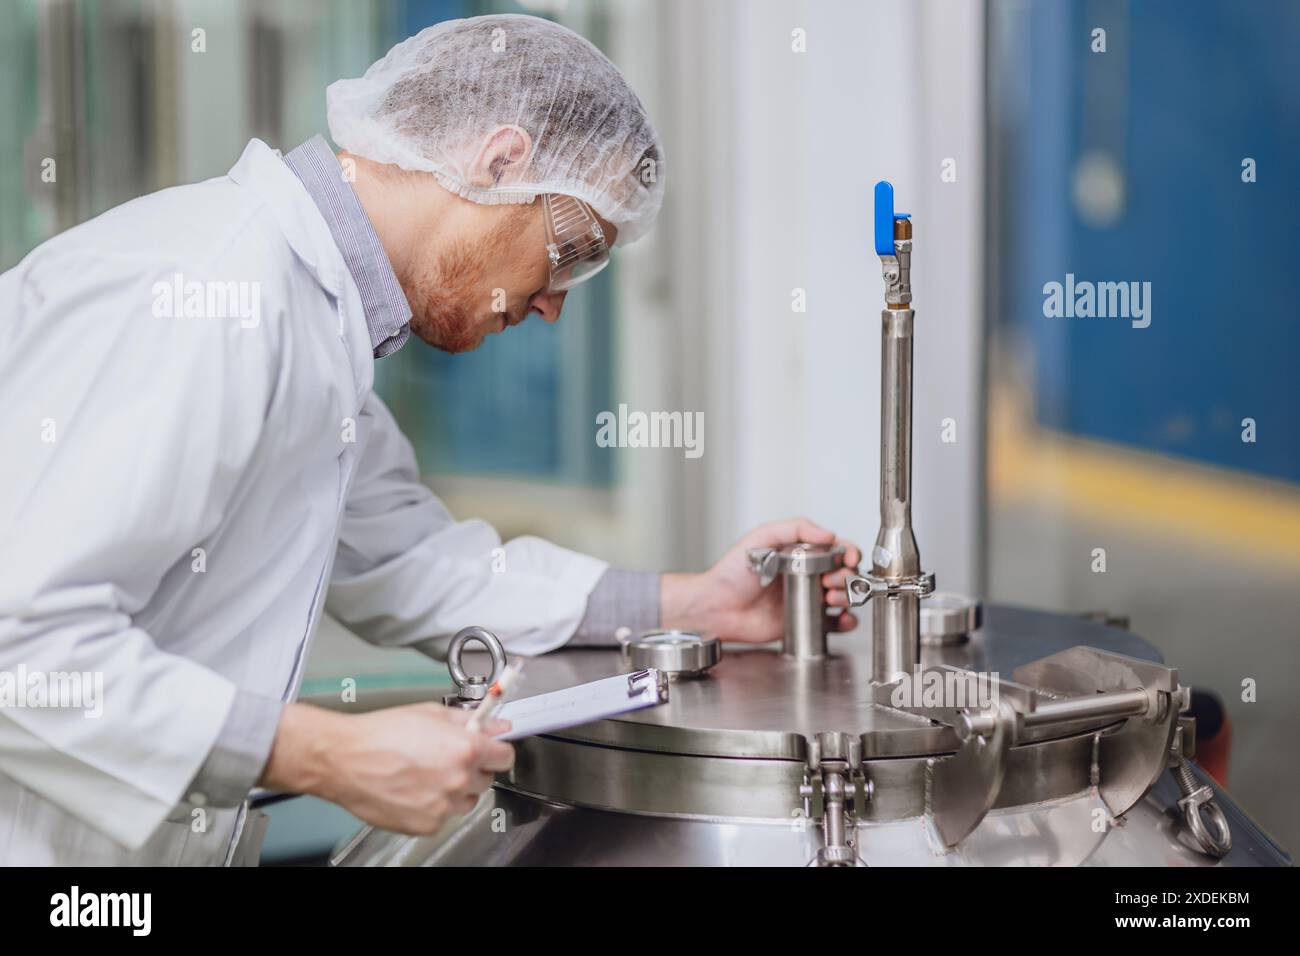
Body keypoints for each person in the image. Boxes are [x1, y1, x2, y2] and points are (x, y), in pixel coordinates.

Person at [0, 14, 860, 865]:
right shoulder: (203, 296)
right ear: (499, 160)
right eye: (574, 249)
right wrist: (328, 754)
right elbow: (23, 648)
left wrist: (699, 604)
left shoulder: (321, 326)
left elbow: (413, 563)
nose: (557, 302)